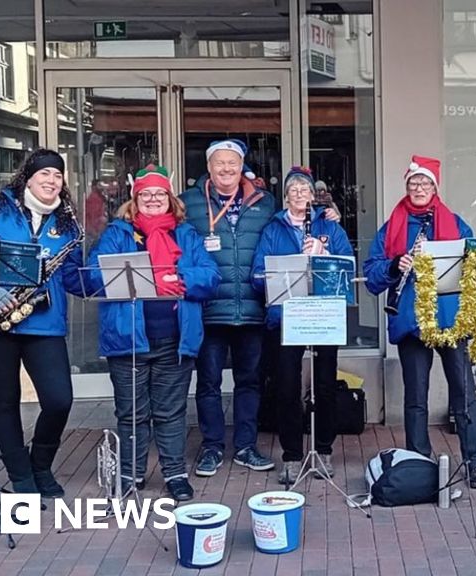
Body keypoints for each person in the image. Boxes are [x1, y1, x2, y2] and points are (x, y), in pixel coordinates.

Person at [87, 164, 220, 502]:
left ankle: (174, 473)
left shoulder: (186, 234)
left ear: (169, 198)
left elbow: (210, 276)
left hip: (175, 338)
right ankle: (131, 474)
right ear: (135, 199)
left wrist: (183, 279)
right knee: (131, 412)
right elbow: (93, 276)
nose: (152, 199)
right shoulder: (118, 234)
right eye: (145, 194)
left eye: (159, 194)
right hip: (128, 338)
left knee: (170, 412)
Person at [0, 148, 84, 498]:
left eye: (58, 176)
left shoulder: (66, 224)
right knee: (4, 402)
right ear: (28, 178)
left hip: (43, 323)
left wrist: (112, 280)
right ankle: (21, 476)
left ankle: (40, 465)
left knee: (59, 400)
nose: (51, 181)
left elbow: (73, 277)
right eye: (44, 174)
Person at [363, 155, 476, 489]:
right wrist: (394, 266)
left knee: (464, 395)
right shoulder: (392, 227)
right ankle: (419, 462)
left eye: (425, 183)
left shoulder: (456, 224)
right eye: (413, 183)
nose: (418, 188)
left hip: (450, 320)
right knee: (415, 398)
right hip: (409, 320)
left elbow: (473, 272)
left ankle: (475, 462)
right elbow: (372, 275)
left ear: (435, 187)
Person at [180, 139, 277, 475]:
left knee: (249, 381)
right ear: (208, 168)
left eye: (232, 163)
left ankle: (246, 446)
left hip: (251, 307)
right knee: (207, 382)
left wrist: (325, 214)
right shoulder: (188, 203)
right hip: (208, 308)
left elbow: (291, 225)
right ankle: (211, 447)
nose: (226, 169)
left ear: (241, 167)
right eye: (219, 163)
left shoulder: (264, 202)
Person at [252, 167, 354, 484]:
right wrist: (286, 269)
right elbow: (258, 274)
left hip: (323, 313)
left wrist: (323, 254)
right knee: (287, 387)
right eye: (293, 189)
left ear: (313, 194)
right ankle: (293, 455)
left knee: (324, 385)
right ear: (286, 196)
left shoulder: (329, 225)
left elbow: (348, 267)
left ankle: (323, 449)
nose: (299, 193)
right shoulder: (273, 229)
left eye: (304, 189)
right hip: (287, 314)